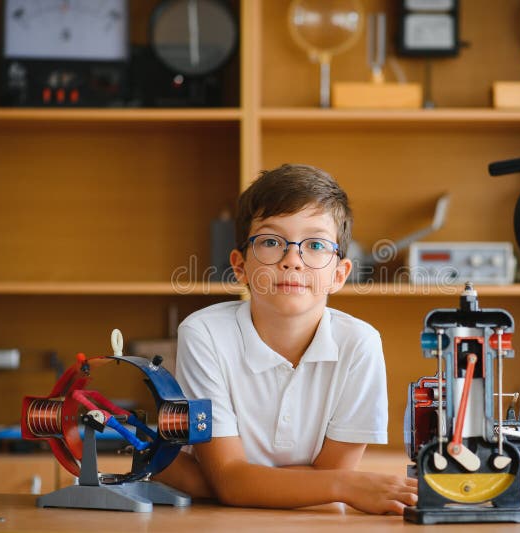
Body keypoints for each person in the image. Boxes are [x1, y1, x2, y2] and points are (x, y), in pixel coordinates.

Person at [155, 164, 417, 514]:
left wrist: (219, 481)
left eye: (315, 244)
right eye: (270, 242)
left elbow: (235, 481)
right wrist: (343, 485)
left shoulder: (360, 345)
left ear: (340, 274)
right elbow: (324, 481)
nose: (292, 260)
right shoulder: (203, 334)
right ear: (239, 266)